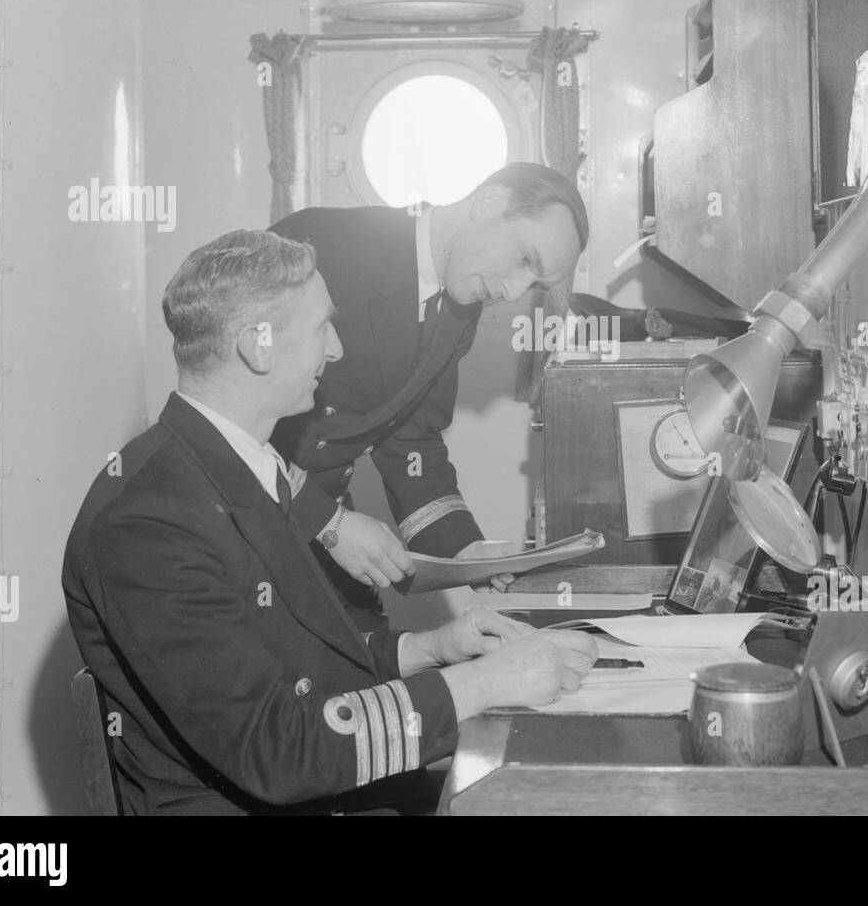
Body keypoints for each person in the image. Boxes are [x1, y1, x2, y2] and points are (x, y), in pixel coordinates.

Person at [62, 230, 597, 815]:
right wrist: (485, 685)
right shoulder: (148, 521)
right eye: (322, 327)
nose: (337, 350)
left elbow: (300, 670)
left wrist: (431, 647)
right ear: (258, 347)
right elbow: (277, 752)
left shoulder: (243, 471)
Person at [269, 162, 588, 631]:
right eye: (525, 259)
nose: (516, 292)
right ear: (488, 204)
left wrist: (468, 552)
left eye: (535, 286)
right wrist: (328, 524)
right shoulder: (318, 242)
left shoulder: (458, 310)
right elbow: (228, 421)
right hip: (248, 515)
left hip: (323, 519)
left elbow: (410, 438)